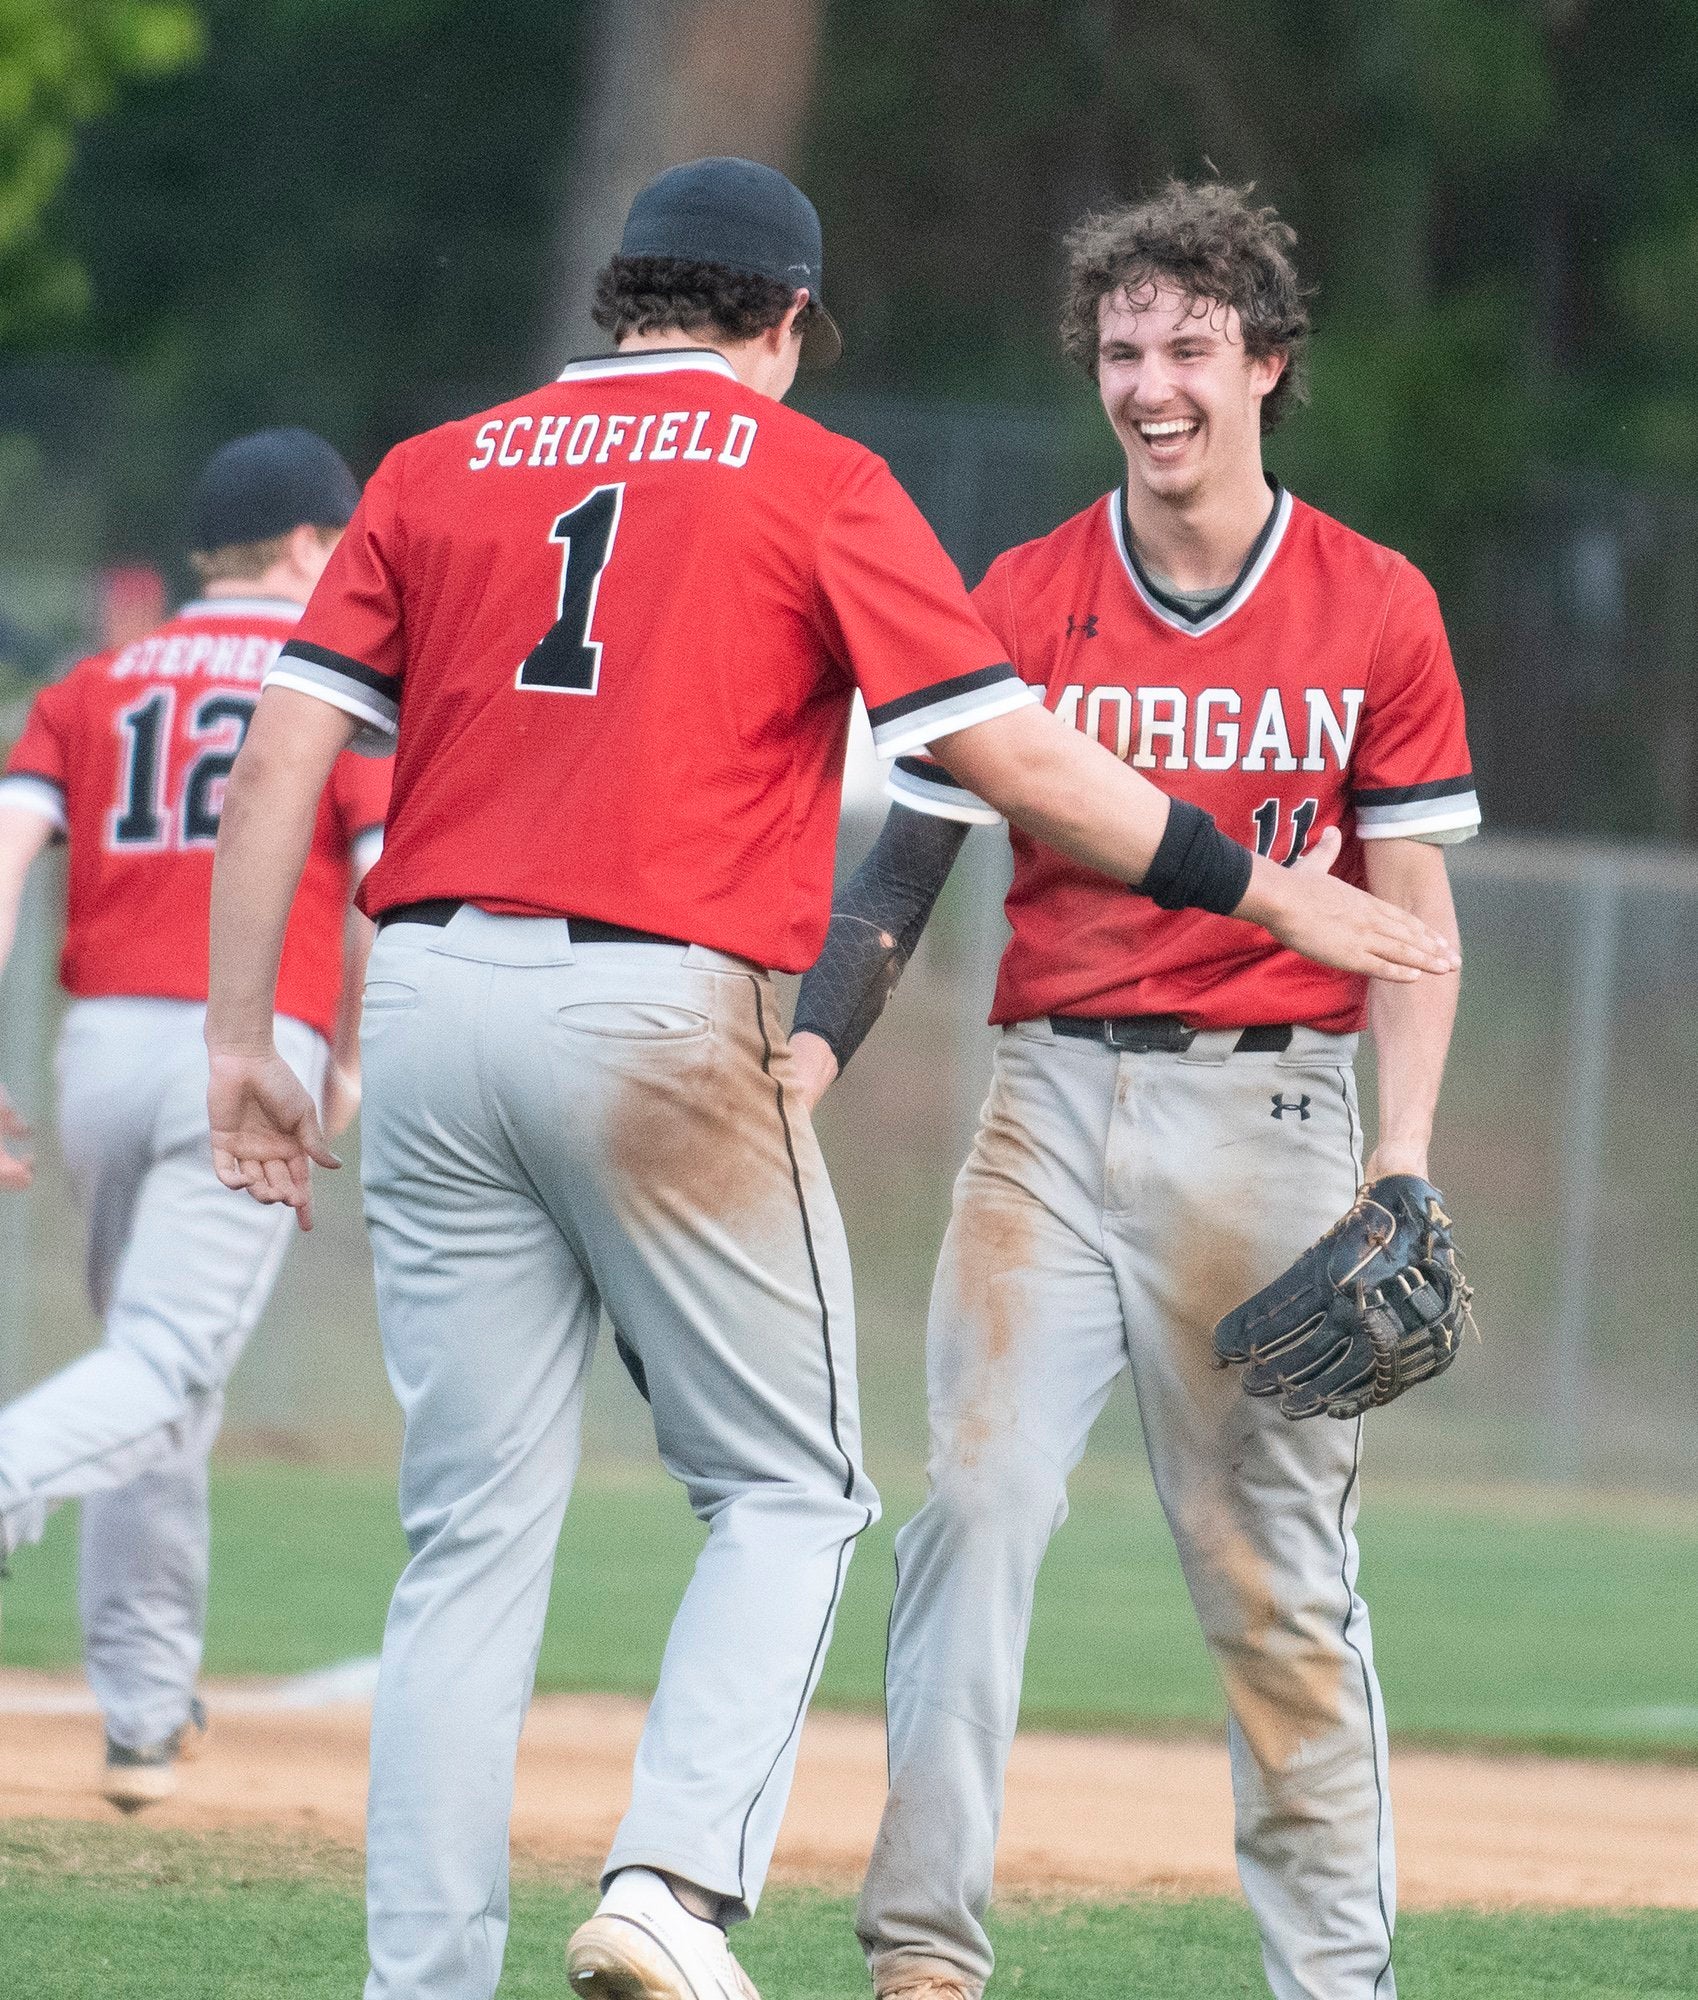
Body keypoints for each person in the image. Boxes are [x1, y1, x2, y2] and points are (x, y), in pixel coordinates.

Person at [200, 159, 1455, 2000]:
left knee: (465, 1537)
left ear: (626, 297)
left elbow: (284, 748)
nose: (1151, 378)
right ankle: (677, 1893)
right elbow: (1008, 771)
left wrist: (252, 1040)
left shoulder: (430, 465)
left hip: (430, 1004)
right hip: (660, 1006)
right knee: (797, 1494)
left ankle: (425, 1981)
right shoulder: (817, 479)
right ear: (786, 323)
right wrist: (1266, 884)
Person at [789, 179, 1479, 2000]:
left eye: (1187, 347)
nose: (1150, 383)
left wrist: (1396, 1165)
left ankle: (1334, 1980)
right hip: (1043, 1113)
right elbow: (901, 872)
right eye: (1119, 348)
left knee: (1271, 1584)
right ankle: (921, 1956)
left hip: (1270, 1125)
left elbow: (1412, 927)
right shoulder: (1020, 593)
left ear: (1266, 363)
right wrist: (804, 1055)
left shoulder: (1373, 604)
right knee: (977, 1503)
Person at [0, 427, 390, 1809]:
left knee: (157, 1374)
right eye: (338, 543)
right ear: (303, 549)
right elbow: (377, 891)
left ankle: (146, 1709)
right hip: (249, 1042)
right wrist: (345, 1063)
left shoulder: (92, 684)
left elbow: (8, 853)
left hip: (98, 1048)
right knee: (164, 1364)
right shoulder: (332, 686)